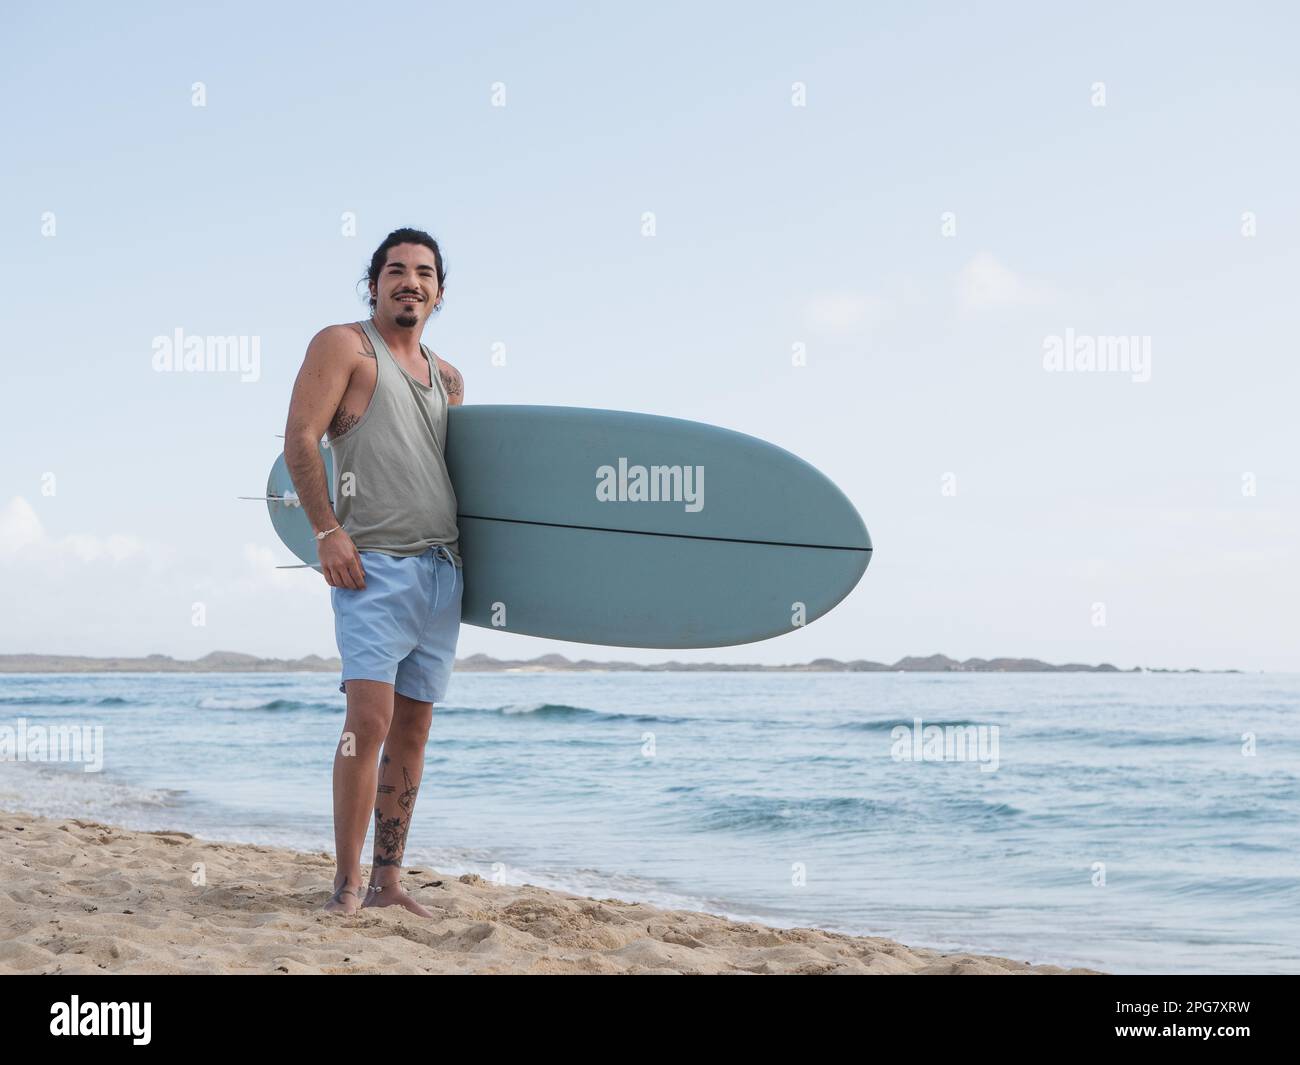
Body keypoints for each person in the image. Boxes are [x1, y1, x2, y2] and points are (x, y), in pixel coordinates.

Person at [283, 227, 465, 917]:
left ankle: (389, 880)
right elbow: (301, 436)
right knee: (369, 718)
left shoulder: (448, 378)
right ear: (374, 283)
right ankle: (347, 881)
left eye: (423, 271)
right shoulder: (344, 346)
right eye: (396, 270)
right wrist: (326, 530)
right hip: (373, 567)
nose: (409, 280)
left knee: (414, 729)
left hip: (443, 571)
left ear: (440, 291)